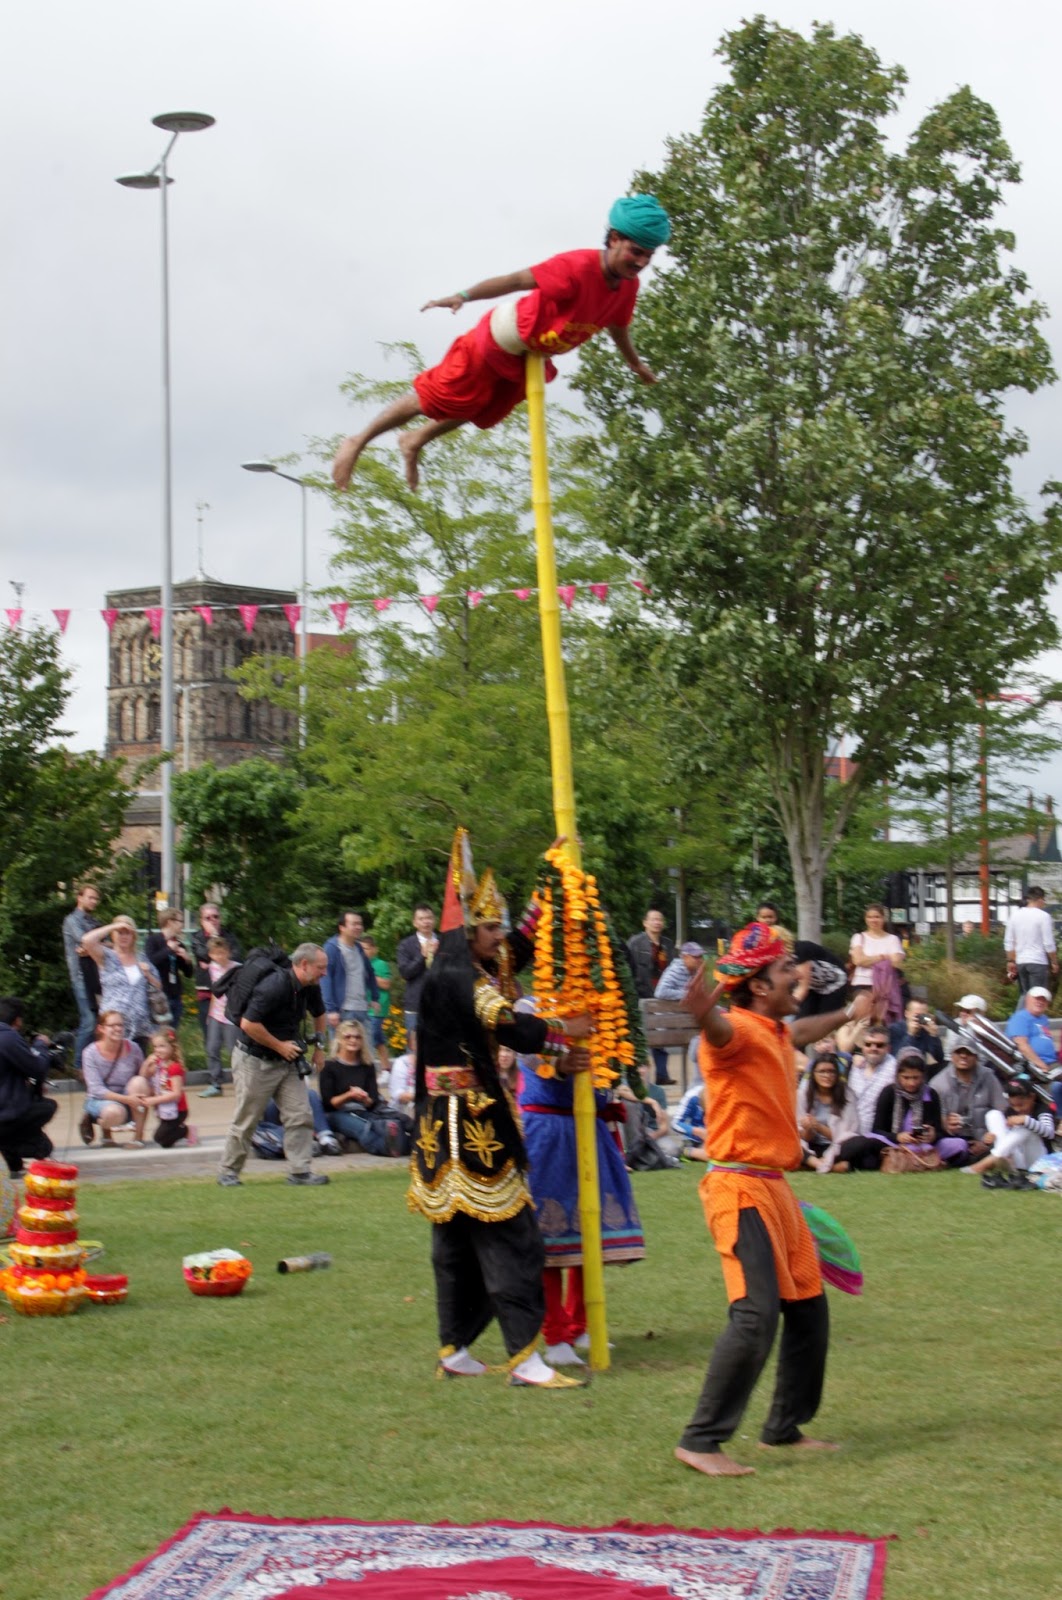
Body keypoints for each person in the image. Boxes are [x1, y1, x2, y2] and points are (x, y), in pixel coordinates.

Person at [675, 921, 874, 1477]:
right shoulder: (735, 1030)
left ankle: (783, 1429)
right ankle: (700, 1440)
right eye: (787, 969)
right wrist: (701, 1013)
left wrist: (848, 1015)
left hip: (775, 1189)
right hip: (737, 1188)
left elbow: (802, 1032)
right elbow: (717, 1030)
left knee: (808, 1308)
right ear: (759, 985)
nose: (798, 974)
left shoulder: (774, 1029)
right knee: (755, 1314)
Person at [409, 827, 593, 1388]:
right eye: (490, 927)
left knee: (456, 1241)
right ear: (468, 930)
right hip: (471, 1125)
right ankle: (525, 1358)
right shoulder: (462, 978)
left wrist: (550, 872)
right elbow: (508, 1023)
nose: (500, 937)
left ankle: (455, 1348)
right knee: (513, 1237)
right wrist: (565, 1031)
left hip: (446, 1125)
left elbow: (524, 945)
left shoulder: (464, 965)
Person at [331, 195, 670, 492]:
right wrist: (462, 295)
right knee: (438, 397)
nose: (640, 262)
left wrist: (635, 363)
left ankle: (415, 439)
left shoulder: (627, 286)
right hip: (498, 338)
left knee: (481, 407)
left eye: (648, 256)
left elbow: (618, 326)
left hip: (531, 357)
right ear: (614, 239)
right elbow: (516, 280)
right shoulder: (575, 268)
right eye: (635, 252)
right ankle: (358, 441)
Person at [516, 1000, 645, 1368]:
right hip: (548, 1134)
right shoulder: (530, 1006)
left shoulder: (595, 1000)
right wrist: (558, 1065)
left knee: (589, 1234)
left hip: (589, 1127)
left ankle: (579, 1324)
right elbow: (527, 1052)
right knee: (551, 1240)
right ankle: (555, 1335)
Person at [217, 943, 331, 1188]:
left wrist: (320, 1049)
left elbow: (320, 1014)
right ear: (304, 965)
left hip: (288, 1061)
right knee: (248, 1118)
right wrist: (280, 1046)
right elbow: (248, 1024)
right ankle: (228, 1171)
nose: (324, 973)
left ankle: (300, 1172)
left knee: (300, 1114)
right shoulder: (275, 986)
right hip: (255, 1061)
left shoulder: (310, 986)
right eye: (321, 968)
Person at [837, 1048, 958, 1170]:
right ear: (898, 1076)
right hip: (892, 1144)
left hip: (923, 1146)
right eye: (906, 1077)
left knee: (959, 1145)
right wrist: (898, 1137)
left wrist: (932, 1135)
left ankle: (904, 1161)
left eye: (916, 1078)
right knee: (861, 1144)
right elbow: (877, 1130)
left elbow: (939, 1131)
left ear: (923, 1077)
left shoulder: (931, 1094)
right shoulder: (889, 1092)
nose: (911, 1083)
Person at [319, 1019, 404, 1156]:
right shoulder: (329, 1066)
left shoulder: (367, 1066)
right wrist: (349, 1095)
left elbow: (373, 1101)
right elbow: (328, 1103)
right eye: (348, 1037)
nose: (353, 1040)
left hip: (363, 1111)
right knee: (364, 1128)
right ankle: (387, 1148)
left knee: (382, 1123)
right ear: (339, 1040)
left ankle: (396, 1144)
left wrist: (365, 1098)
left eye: (357, 1037)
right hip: (337, 1113)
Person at [81, 916, 162, 1051]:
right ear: (113, 935)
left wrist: (148, 975)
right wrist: (114, 926)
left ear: (134, 936)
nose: (123, 936)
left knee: (136, 1068)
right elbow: (87, 940)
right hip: (113, 1026)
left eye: (127, 933)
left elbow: (159, 987)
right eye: (120, 932)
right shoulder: (107, 956)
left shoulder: (141, 958)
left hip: (139, 1027)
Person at [0, 997, 58, 1176]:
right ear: (17, 1020)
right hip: (6, 1115)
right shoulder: (8, 1037)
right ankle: (29, 1148)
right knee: (47, 1107)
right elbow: (38, 1069)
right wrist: (41, 1045)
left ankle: (15, 1167)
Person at [960, 1073, 1056, 1179]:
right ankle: (1002, 1159)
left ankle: (989, 1161)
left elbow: (1050, 1133)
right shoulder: (1010, 1112)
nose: (1017, 1109)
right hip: (1017, 1159)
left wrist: (1026, 1120)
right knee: (993, 1115)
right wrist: (988, 1139)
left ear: (1032, 1097)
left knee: (1025, 1128)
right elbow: (1008, 1138)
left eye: (1021, 1105)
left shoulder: (1042, 1110)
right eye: (1013, 1105)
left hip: (1039, 1161)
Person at [929, 1038, 1006, 1164]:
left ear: (976, 1057)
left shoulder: (989, 1077)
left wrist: (988, 1139)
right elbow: (933, 1121)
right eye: (959, 1052)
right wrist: (946, 1125)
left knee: (996, 1119)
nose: (963, 1056)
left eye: (968, 1053)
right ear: (952, 1056)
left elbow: (1002, 1110)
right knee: (956, 1146)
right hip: (955, 1139)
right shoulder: (938, 1083)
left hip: (986, 1138)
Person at [79, 1011, 150, 1147]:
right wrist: (128, 1100)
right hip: (101, 1100)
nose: (118, 1029)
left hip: (128, 1097)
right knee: (114, 1112)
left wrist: (149, 1068)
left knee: (140, 1082)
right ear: (101, 1028)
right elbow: (96, 1089)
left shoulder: (133, 1048)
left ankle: (138, 1137)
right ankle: (103, 1130)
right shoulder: (90, 1053)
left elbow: (142, 1077)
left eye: (120, 1025)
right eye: (112, 1025)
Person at [627, 909, 676, 1084]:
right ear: (645, 923)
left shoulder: (668, 944)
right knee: (640, 1036)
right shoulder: (635, 943)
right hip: (642, 996)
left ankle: (662, 1074)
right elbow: (628, 969)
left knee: (661, 1035)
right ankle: (640, 1078)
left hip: (662, 996)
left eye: (660, 919)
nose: (657, 922)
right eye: (653, 919)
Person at [62, 882, 101, 1071]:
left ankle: (89, 1063)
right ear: (80, 897)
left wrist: (92, 947)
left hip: (95, 975)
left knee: (98, 1020)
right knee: (89, 1020)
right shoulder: (72, 920)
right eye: (90, 897)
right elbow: (85, 941)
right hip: (80, 976)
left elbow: (102, 944)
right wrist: (91, 945)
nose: (94, 901)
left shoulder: (94, 922)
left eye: (96, 898)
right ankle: (78, 1065)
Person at [321, 911, 379, 1036]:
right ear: (342, 927)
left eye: (360, 924)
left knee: (367, 1053)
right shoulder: (332, 948)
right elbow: (326, 979)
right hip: (342, 1011)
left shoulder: (359, 948)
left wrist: (375, 997)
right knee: (341, 1053)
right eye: (354, 924)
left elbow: (370, 972)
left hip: (362, 1008)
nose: (359, 927)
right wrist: (331, 1010)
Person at [798, 1054, 859, 1172]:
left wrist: (819, 1127)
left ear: (837, 1075)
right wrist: (809, 1129)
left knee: (857, 1145)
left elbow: (846, 1135)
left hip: (837, 1146)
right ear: (813, 1074)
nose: (827, 1076)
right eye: (822, 1071)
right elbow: (803, 1137)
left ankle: (809, 1165)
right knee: (790, 1145)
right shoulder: (803, 1095)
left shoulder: (847, 1095)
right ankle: (822, 1165)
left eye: (831, 1072)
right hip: (810, 1146)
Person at [191, 905, 242, 1039]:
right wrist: (214, 939)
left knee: (232, 1038)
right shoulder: (197, 937)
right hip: (207, 992)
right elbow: (201, 954)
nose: (212, 920)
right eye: (208, 918)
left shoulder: (229, 936)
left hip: (228, 993)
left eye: (215, 917)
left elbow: (236, 957)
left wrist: (212, 959)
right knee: (210, 1038)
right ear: (202, 921)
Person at [848, 905, 904, 1020]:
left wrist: (868, 960)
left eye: (877, 917)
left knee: (882, 1018)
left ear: (883, 919)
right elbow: (858, 960)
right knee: (863, 1017)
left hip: (885, 986)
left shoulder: (892, 939)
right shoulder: (858, 937)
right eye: (870, 917)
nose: (873, 920)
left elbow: (895, 963)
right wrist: (883, 957)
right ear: (866, 919)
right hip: (862, 983)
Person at [201, 936, 239, 1099]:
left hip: (232, 1016)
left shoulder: (237, 968)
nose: (219, 957)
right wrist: (210, 1013)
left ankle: (241, 1081)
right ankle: (215, 1083)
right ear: (211, 954)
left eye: (222, 953)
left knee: (234, 1051)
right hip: (216, 1014)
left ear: (228, 953)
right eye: (216, 954)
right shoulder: (212, 968)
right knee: (212, 1048)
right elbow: (214, 993)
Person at [1004, 886, 1058, 995]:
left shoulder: (1014, 915)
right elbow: (1048, 943)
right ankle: (1018, 1013)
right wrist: (1054, 962)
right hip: (1038, 961)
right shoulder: (1044, 916)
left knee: (1025, 995)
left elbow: (1009, 941)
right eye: (1044, 900)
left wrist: (1010, 961)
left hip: (1021, 962)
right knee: (1037, 996)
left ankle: (1020, 1012)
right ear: (1040, 899)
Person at [144, 910, 194, 1029]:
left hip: (175, 994)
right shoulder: (153, 941)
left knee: (171, 1035)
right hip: (158, 995)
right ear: (170, 922)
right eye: (180, 921)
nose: (182, 925)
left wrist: (187, 959)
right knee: (158, 1033)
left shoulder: (179, 944)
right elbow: (151, 962)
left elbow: (189, 973)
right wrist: (168, 950)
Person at [141, 1029, 190, 1148]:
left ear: (172, 1047)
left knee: (159, 1139)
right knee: (164, 1140)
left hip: (178, 1110)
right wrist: (146, 1064)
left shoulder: (174, 1067)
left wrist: (154, 1100)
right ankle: (174, 1131)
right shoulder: (159, 1064)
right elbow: (143, 1077)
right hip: (165, 1108)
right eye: (155, 1047)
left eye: (162, 1046)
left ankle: (185, 1131)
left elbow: (176, 1094)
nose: (158, 1050)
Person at [396, 904, 439, 1039]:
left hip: (440, 1004)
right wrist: (422, 956)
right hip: (415, 1005)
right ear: (415, 923)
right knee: (415, 1050)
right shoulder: (405, 945)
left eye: (429, 918)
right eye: (421, 919)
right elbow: (405, 973)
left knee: (441, 1049)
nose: (426, 922)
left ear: (434, 920)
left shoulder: (444, 942)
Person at [848, 1027, 897, 1133]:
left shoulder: (895, 1069)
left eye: (879, 1045)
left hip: (879, 1136)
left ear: (888, 1048)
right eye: (868, 1044)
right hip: (850, 1132)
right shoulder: (855, 1066)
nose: (873, 1048)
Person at [1004, 987, 1059, 1075]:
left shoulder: (1043, 1019)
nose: (1040, 1002)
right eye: (1037, 998)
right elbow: (1022, 1046)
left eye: (1044, 1000)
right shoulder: (1021, 1018)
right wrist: (1042, 1066)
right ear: (1027, 999)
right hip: (1035, 1066)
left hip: (1053, 1063)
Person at [361, 934, 392, 1075]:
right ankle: (386, 1069)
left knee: (370, 1038)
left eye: (366, 948)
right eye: (360, 948)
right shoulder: (358, 963)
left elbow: (386, 984)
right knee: (378, 1039)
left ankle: (368, 1071)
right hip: (362, 1007)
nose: (363, 951)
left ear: (374, 949)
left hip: (377, 1008)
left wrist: (369, 975)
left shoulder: (380, 964)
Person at [888, 999, 944, 1070]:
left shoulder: (925, 1030)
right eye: (917, 1016)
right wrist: (910, 1035)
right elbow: (896, 1057)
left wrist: (934, 1036)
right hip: (900, 1070)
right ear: (906, 1014)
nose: (919, 1019)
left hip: (919, 1070)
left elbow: (939, 1057)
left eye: (923, 1016)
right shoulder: (894, 1029)